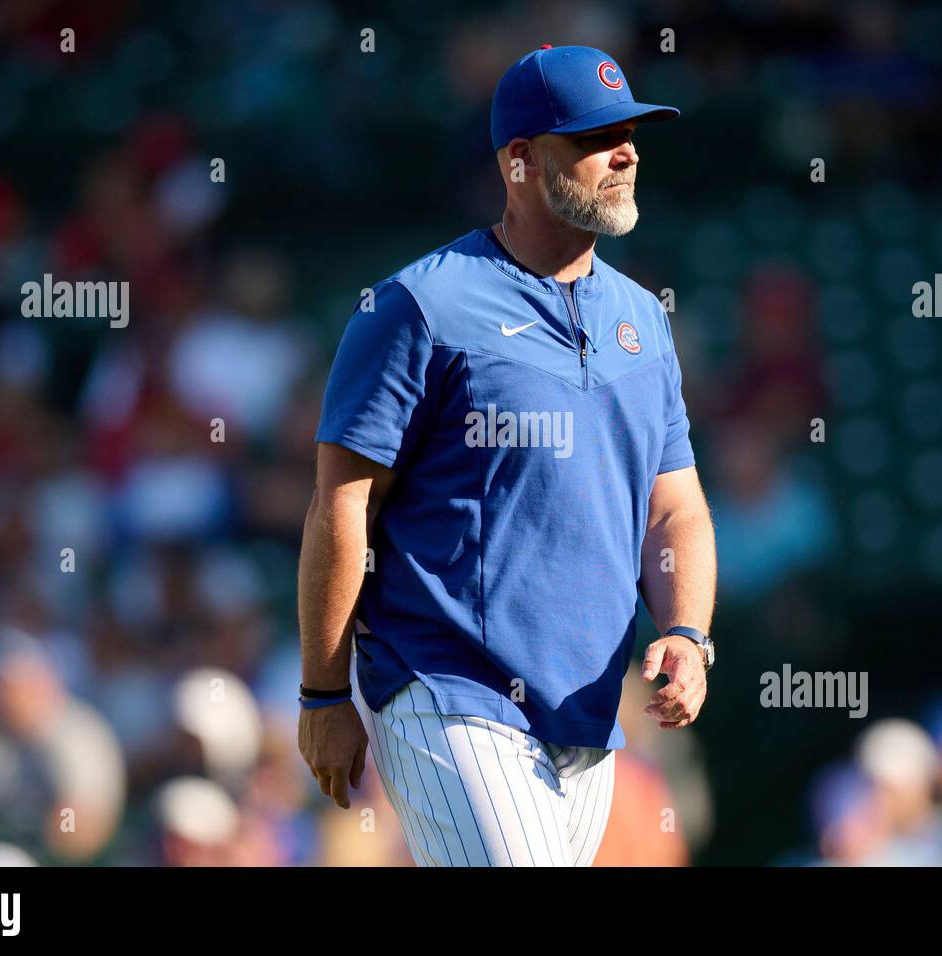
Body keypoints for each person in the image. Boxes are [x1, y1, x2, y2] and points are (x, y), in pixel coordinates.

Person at [295, 44, 716, 866]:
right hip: (447, 686)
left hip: (587, 705)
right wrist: (322, 691)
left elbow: (676, 509)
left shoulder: (644, 318)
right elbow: (342, 505)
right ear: (519, 161)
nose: (627, 151)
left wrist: (688, 632)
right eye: (596, 137)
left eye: (630, 131)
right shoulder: (419, 306)